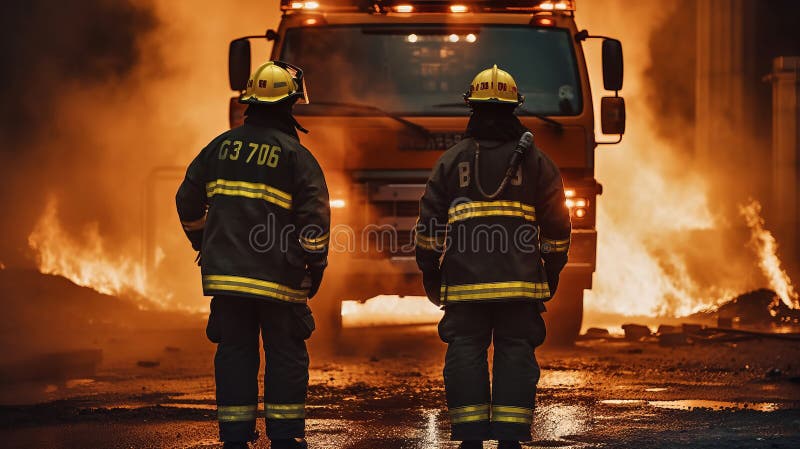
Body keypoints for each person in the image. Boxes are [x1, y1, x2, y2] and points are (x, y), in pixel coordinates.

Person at [176, 61, 330, 449]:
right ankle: (285, 437)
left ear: (250, 102)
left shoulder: (219, 147)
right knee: (286, 355)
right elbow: (314, 218)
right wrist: (316, 263)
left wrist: (202, 241)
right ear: (288, 104)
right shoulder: (296, 155)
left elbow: (186, 199)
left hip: (227, 279)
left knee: (234, 354)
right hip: (280, 279)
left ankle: (234, 436)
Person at [415, 65, 571, 449]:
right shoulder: (537, 162)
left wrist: (430, 274)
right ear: (514, 109)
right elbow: (558, 228)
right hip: (520, 286)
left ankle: (469, 437)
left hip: (465, 286)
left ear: (472, 109)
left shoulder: (452, 161)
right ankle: (510, 437)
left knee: (465, 349)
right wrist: (551, 271)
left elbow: (429, 224)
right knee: (516, 351)